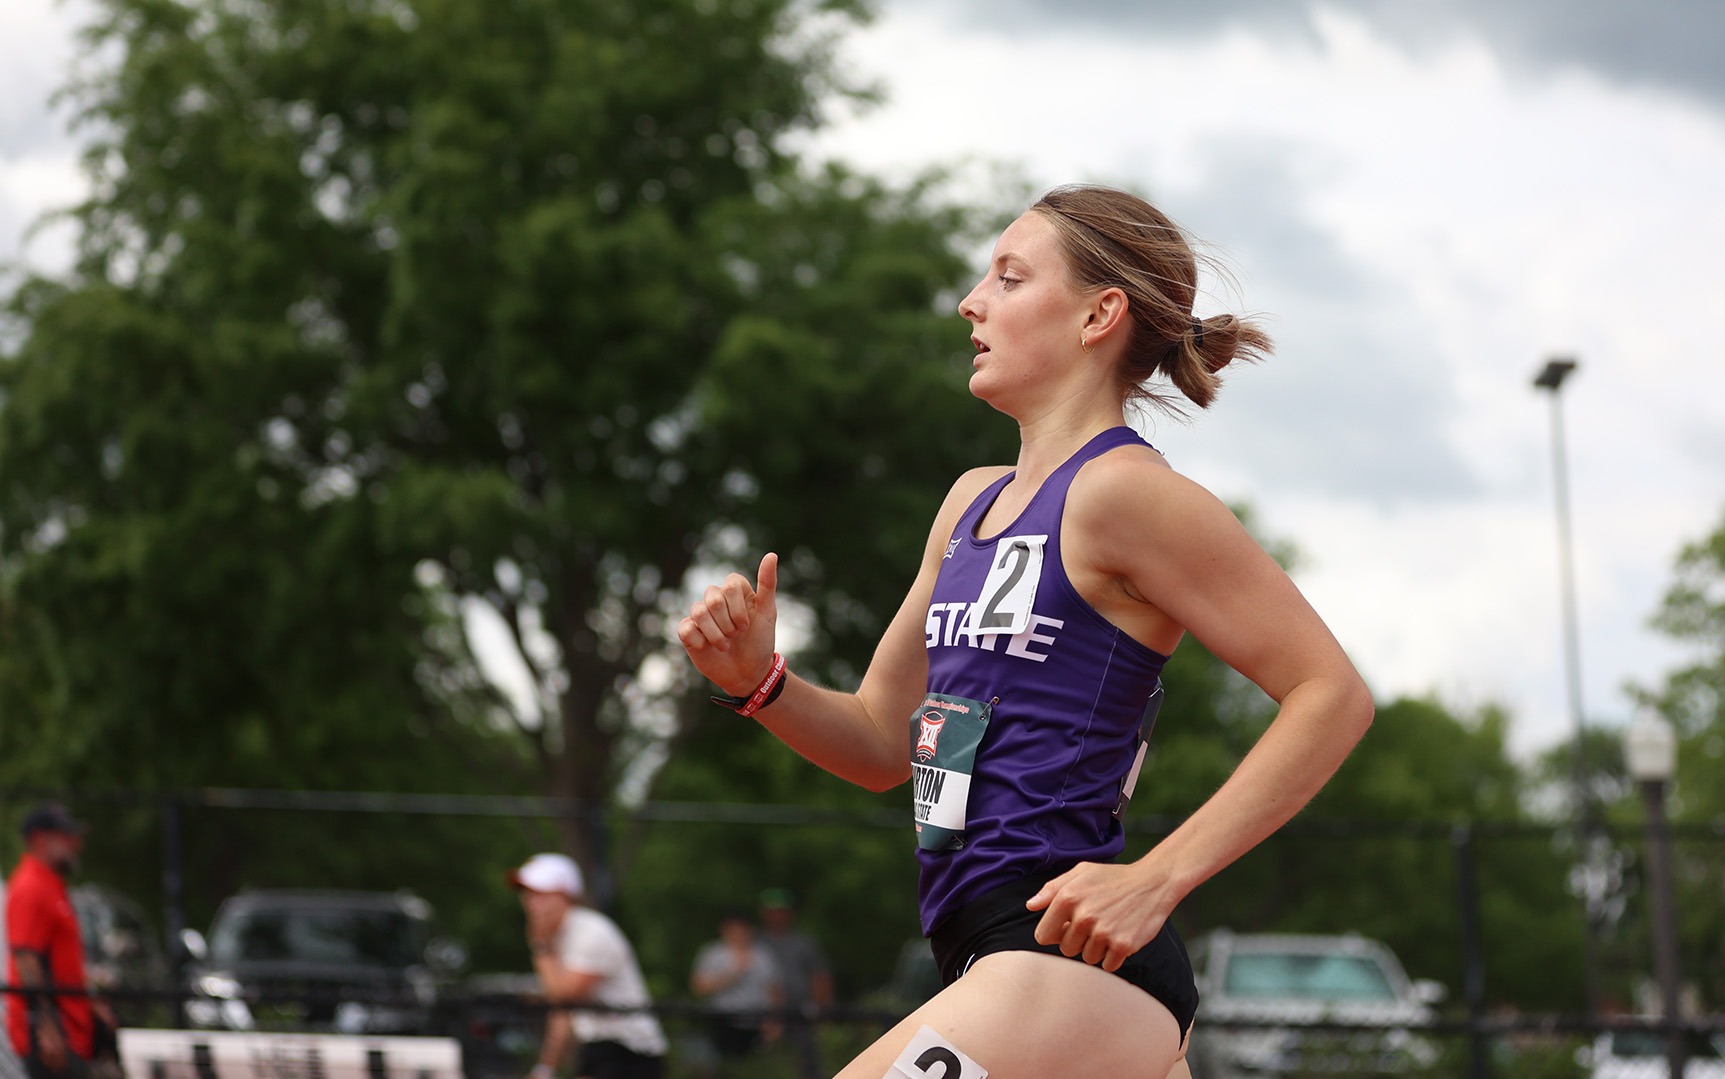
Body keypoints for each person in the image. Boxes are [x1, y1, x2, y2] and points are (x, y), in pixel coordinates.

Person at [676, 183, 1373, 1079]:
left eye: (1008, 277)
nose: (971, 302)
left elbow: (1332, 694)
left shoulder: (1123, 493)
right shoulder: (969, 503)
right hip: (992, 953)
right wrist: (757, 682)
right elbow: (883, 741)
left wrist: (1158, 878)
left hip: (1061, 955)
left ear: (1099, 314)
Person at [510, 853, 669, 1079]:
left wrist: (541, 948)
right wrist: (545, 1069)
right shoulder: (557, 939)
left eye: (541, 894)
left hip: (630, 1052)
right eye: (527, 894)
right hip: (597, 1047)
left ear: (566, 896)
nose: (531, 903)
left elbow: (564, 998)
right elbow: (562, 1014)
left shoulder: (591, 933)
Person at [5, 804, 115, 1079]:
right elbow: (26, 958)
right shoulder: (30, 886)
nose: (76, 845)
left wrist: (91, 1002)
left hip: (70, 1026)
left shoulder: (51, 884)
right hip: (50, 1033)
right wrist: (44, 1024)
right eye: (66, 837)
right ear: (41, 840)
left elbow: (61, 960)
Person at [688, 909, 783, 1074]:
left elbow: (775, 990)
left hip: (757, 1022)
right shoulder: (713, 953)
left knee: (755, 1069)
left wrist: (775, 1022)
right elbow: (699, 987)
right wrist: (734, 974)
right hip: (723, 1021)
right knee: (724, 1069)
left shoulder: (763, 955)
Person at [756, 888, 832, 1079]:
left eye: (781, 911)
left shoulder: (804, 943)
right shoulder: (756, 942)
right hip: (763, 1012)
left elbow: (819, 976)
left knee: (805, 1058)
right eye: (772, 911)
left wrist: (821, 1008)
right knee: (767, 1059)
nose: (777, 916)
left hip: (800, 1011)